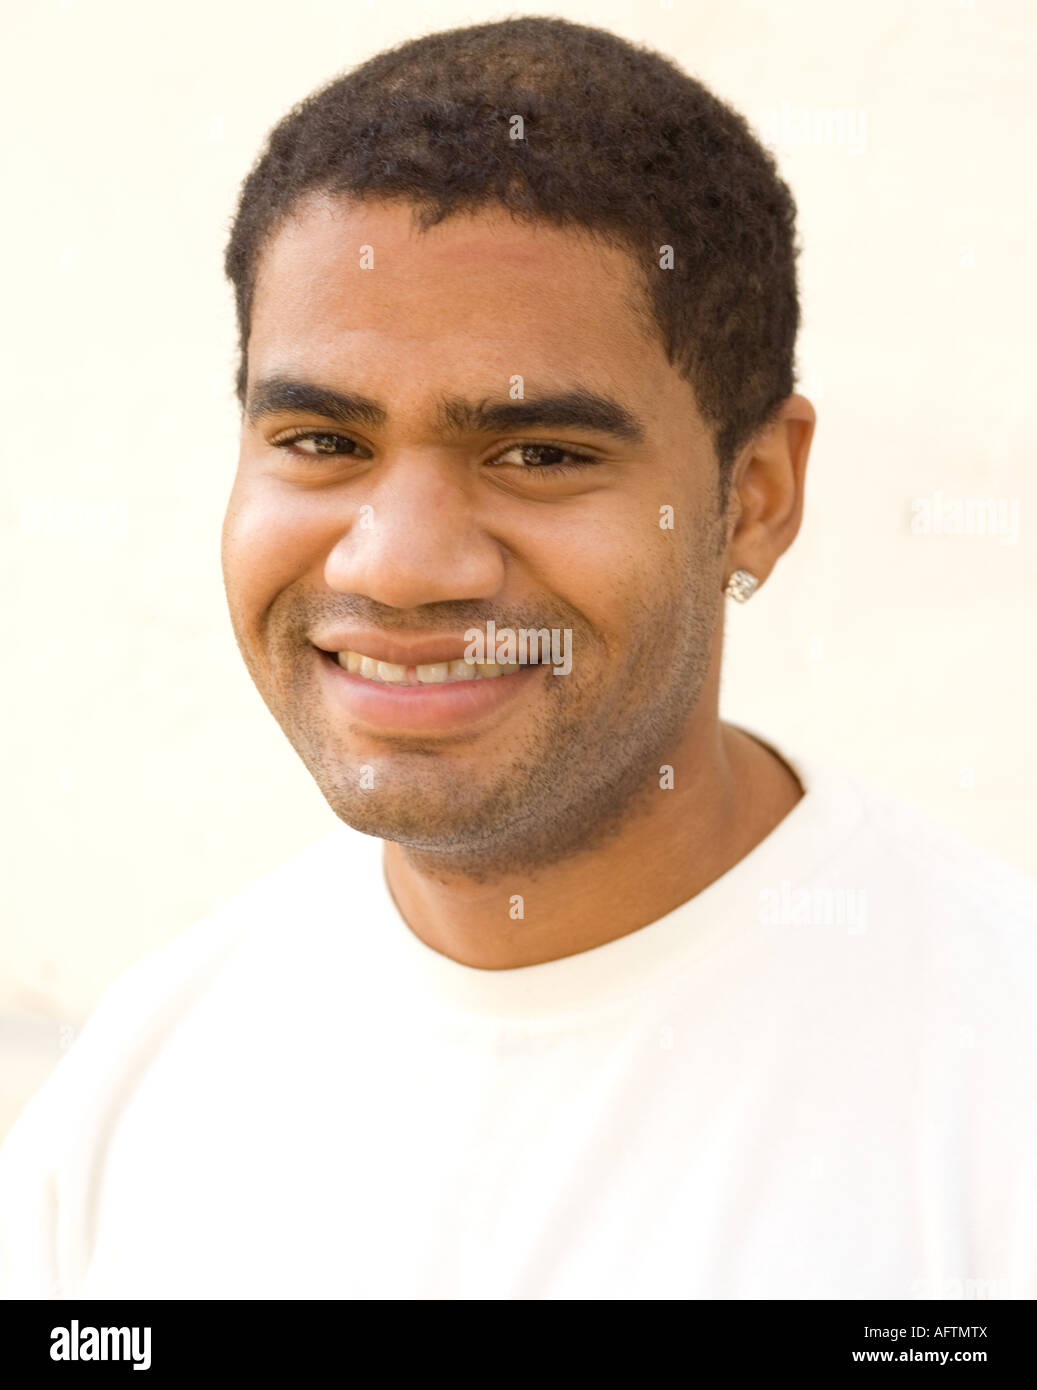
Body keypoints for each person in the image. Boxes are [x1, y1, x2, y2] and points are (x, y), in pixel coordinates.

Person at [1, 16, 1033, 1301]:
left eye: (538, 453)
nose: (395, 564)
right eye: (322, 440)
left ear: (755, 495)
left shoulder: (997, 1100)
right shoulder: (134, 1100)